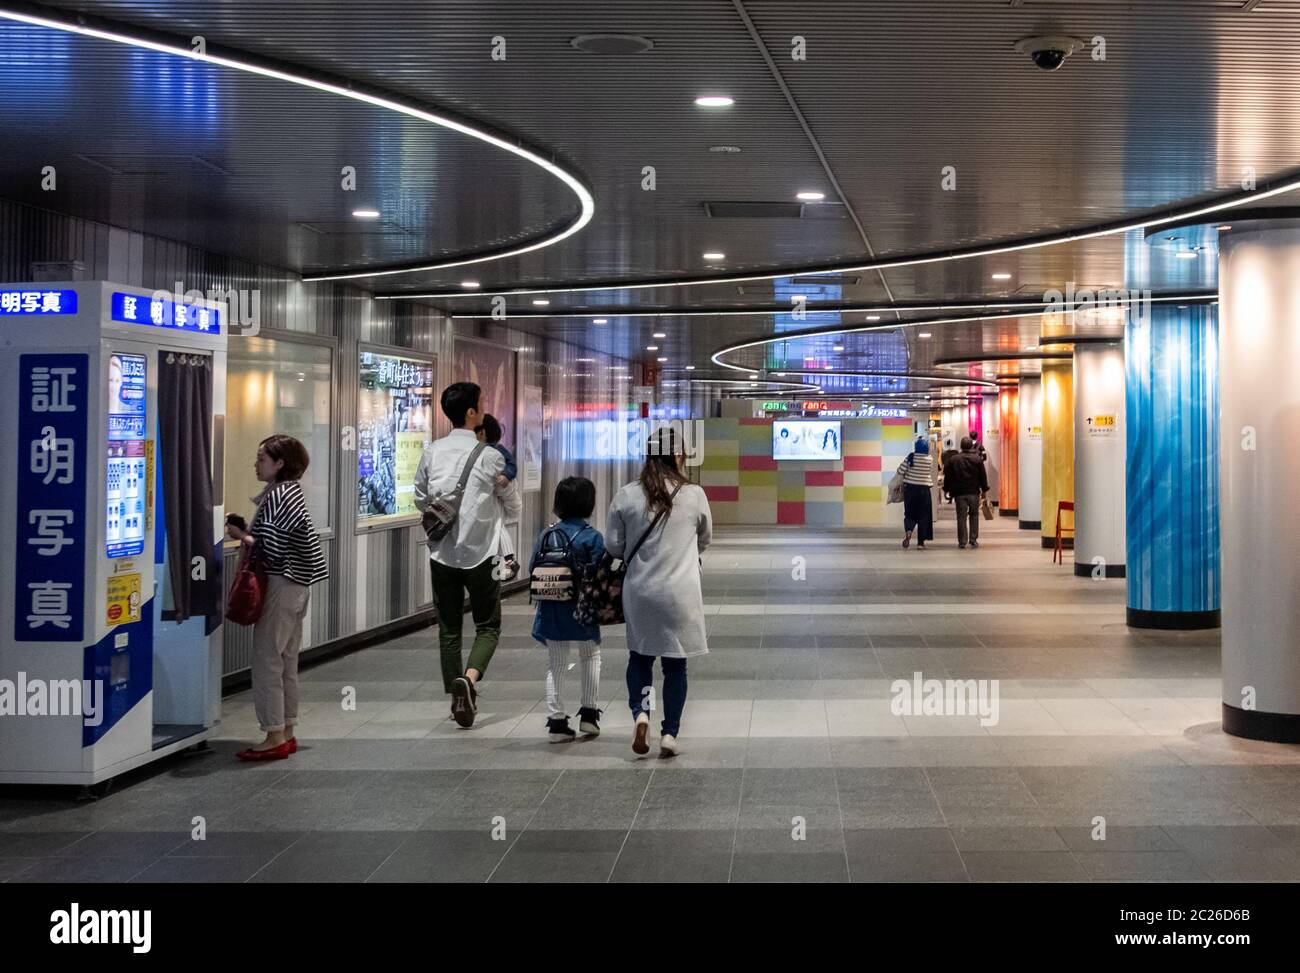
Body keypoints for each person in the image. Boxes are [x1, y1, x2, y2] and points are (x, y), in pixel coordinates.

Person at [414, 382, 521, 728]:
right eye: (482, 403)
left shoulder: (432, 451)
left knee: (448, 629)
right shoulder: (490, 457)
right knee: (488, 625)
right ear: (472, 412)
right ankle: (470, 680)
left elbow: (419, 497)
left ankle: (454, 697)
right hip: (484, 555)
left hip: (441, 554)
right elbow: (513, 506)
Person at [606, 426, 712, 757]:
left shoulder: (626, 495)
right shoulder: (694, 494)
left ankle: (641, 714)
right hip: (680, 592)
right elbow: (705, 538)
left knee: (640, 657)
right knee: (675, 665)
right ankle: (670, 734)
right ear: (678, 455)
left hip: (640, 590)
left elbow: (613, 545)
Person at [227, 435, 328, 761]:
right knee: (285, 661)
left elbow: (270, 546)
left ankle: (273, 735)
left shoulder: (282, 495)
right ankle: (286, 729)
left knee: (268, 660)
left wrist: (240, 535)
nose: (256, 464)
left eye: (262, 458)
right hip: (296, 585)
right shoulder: (290, 493)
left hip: (282, 584)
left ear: (280, 463)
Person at [529, 476, 606, 742]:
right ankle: (589, 715)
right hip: (583, 609)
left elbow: (532, 568)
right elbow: (601, 573)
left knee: (557, 664)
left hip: (551, 609)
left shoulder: (547, 535)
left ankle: (557, 721)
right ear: (588, 504)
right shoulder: (592, 537)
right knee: (591, 657)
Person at [474, 413, 520, 582]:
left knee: (497, 527)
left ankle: (508, 560)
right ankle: (507, 561)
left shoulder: (495, 451)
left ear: (482, 433)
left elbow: (512, 466)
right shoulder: (490, 451)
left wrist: (506, 476)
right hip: (493, 501)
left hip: (494, 500)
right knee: (497, 528)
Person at [944, 436, 991, 549]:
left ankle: (962, 541)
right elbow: (982, 476)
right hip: (974, 492)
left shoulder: (953, 460)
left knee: (961, 517)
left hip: (959, 493)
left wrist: (947, 489)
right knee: (974, 516)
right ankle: (973, 540)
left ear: (961, 446)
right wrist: (984, 489)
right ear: (971, 445)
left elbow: (948, 476)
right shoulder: (977, 460)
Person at [897, 437, 935, 549]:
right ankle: (920, 543)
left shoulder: (911, 457)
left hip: (910, 490)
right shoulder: (930, 459)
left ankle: (909, 531)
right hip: (924, 490)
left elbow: (900, 470)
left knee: (909, 513)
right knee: (923, 516)